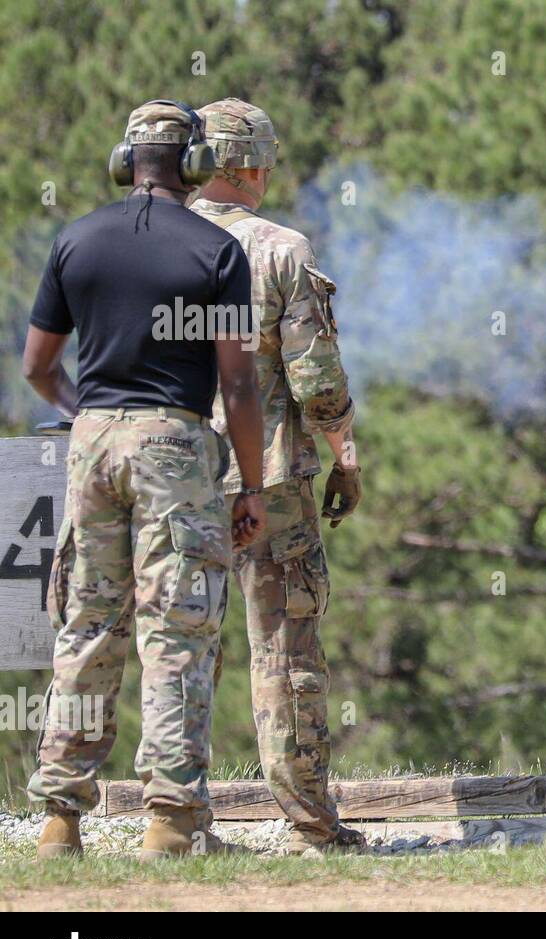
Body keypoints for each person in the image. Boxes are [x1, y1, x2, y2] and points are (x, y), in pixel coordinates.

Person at [24, 100, 267, 859]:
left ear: (125, 162)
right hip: (176, 446)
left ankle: (60, 820)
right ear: (194, 166)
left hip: (93, 443)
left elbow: (37, 368)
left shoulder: (75, 241)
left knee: (87, 627)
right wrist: (251, 488)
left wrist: (87, 414)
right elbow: (238, 385)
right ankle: (171, 820)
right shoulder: (215, 250)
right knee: (178, 634)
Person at [189, 98, 363, 854]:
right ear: (255, 164)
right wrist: (347, 455)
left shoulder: (155, 239)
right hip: (272, 480)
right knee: (285, 652)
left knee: (182, 648)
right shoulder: (280, 250)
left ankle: (176, 822)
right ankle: (309, 824)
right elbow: (317, 381)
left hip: (172, 479)